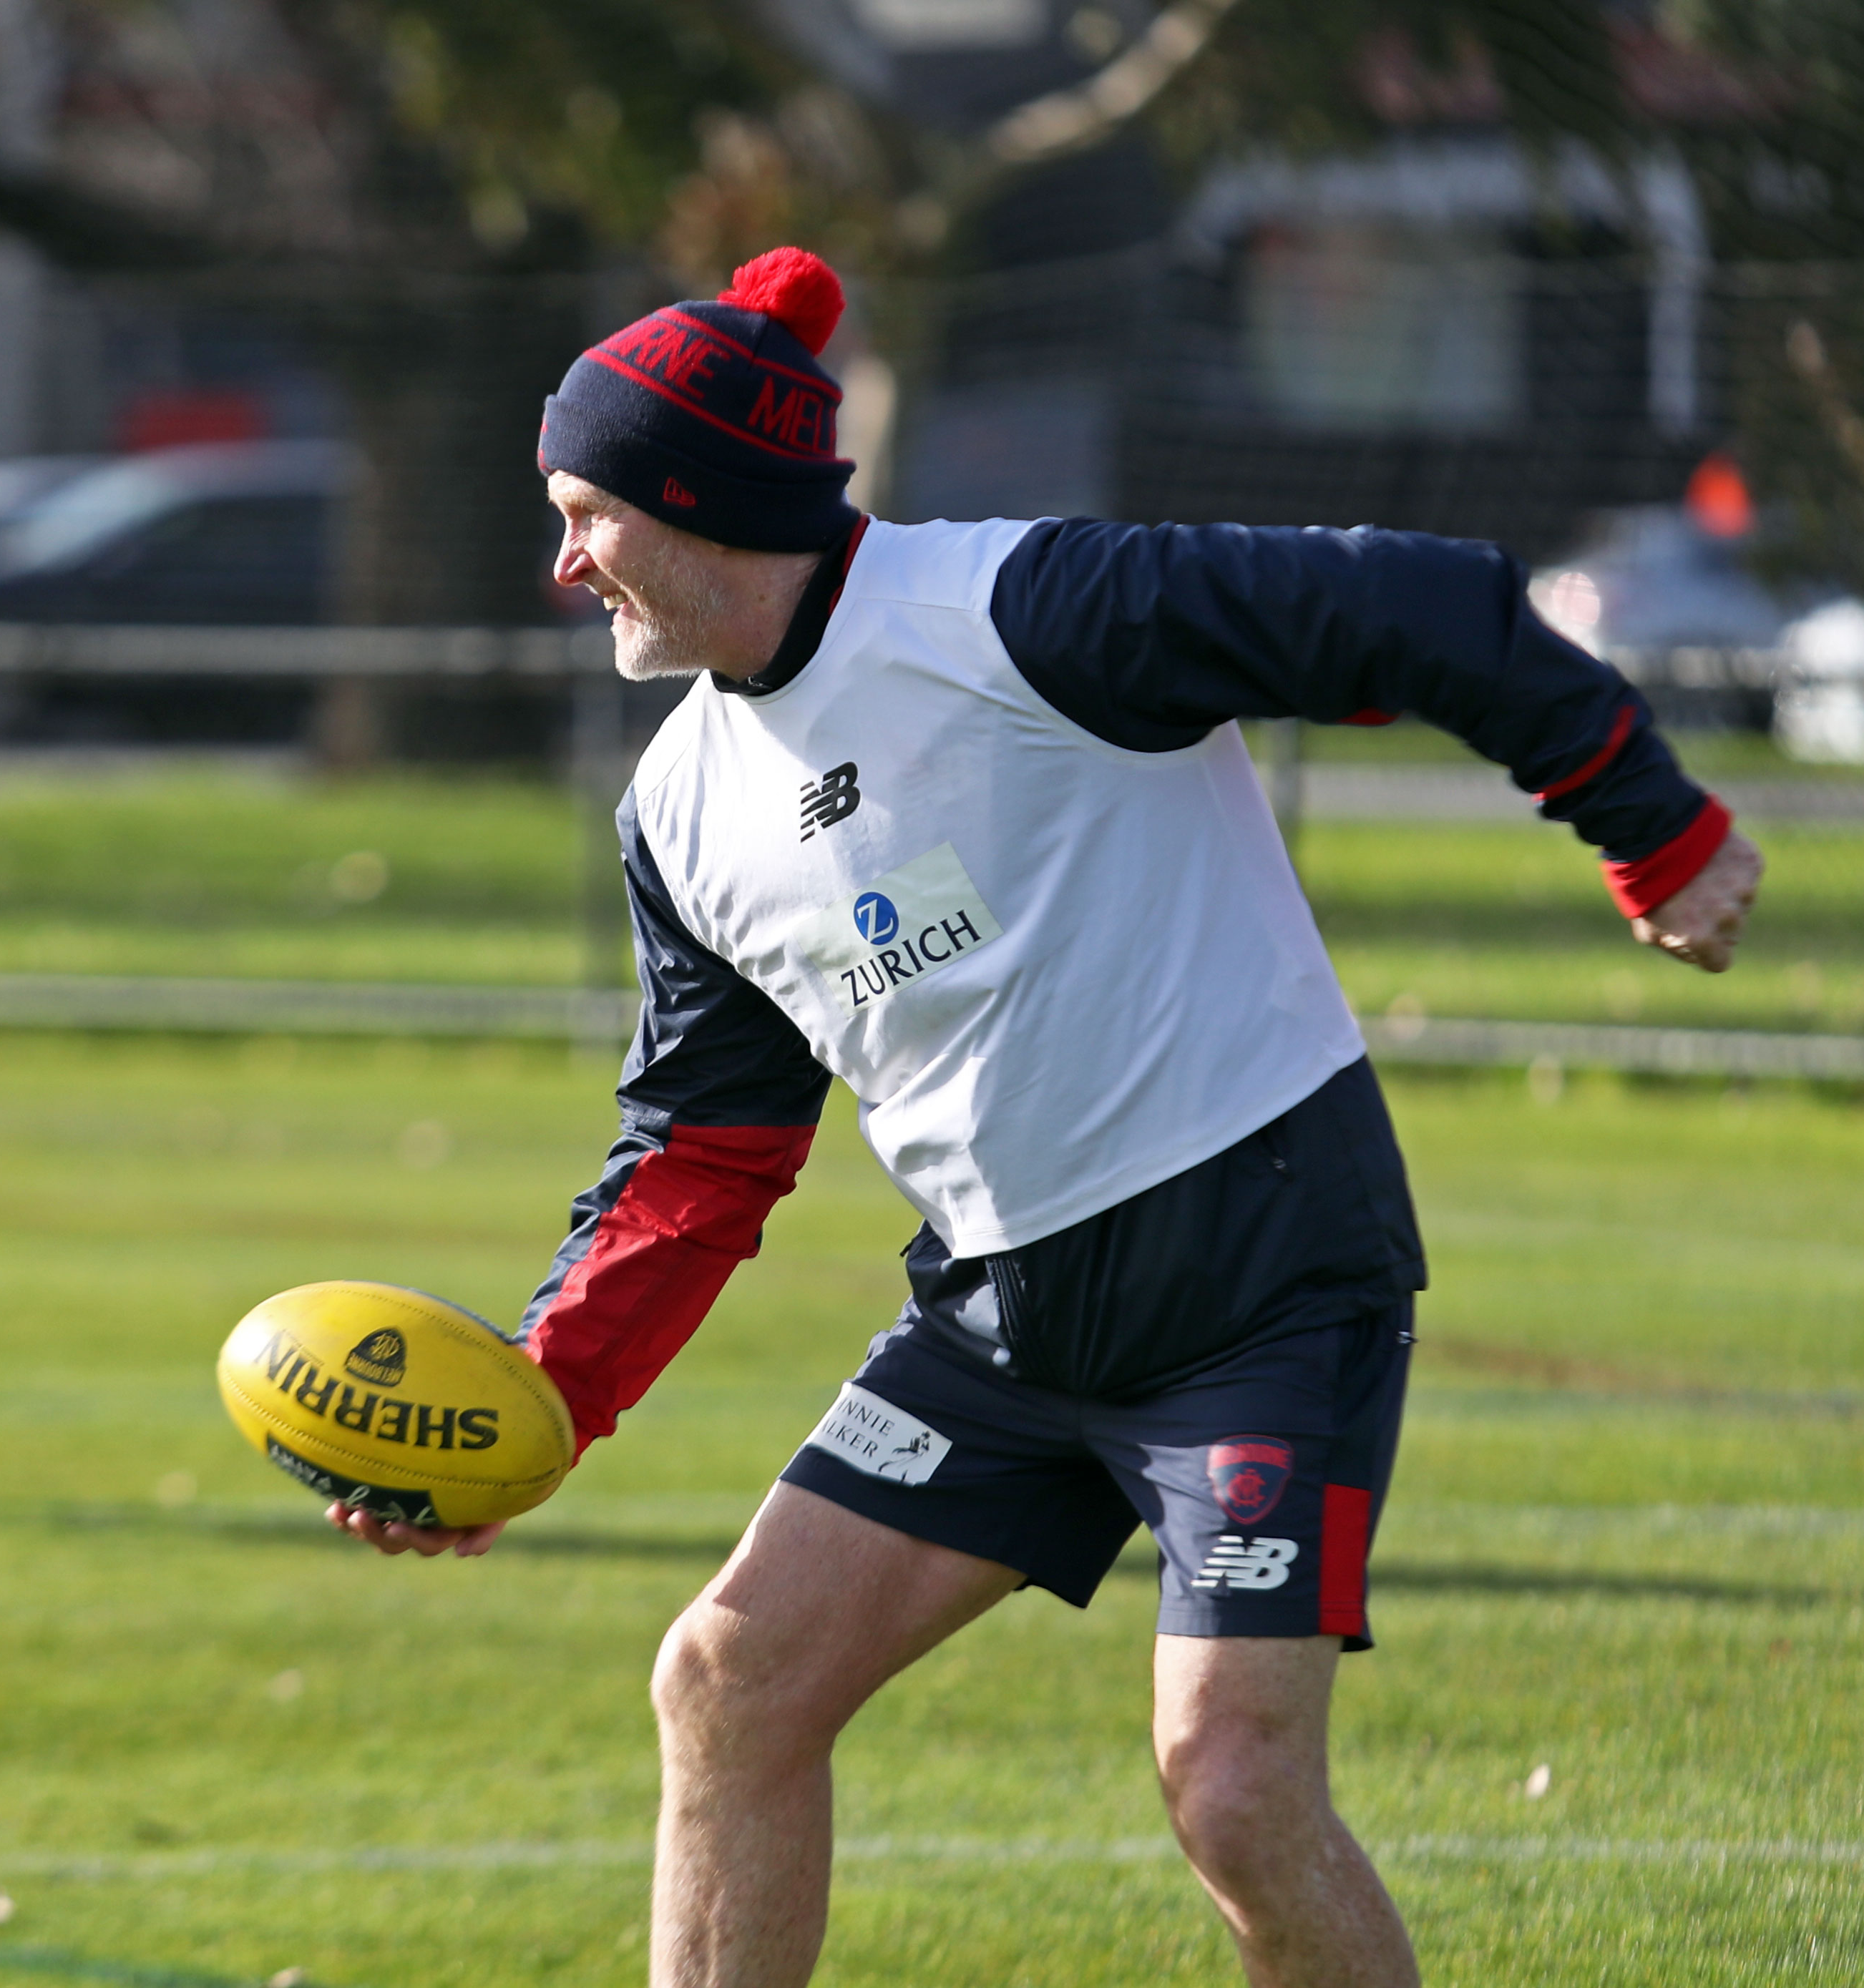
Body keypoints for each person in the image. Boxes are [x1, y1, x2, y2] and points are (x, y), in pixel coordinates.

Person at [328, 247, 1765, 1988]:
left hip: (1258, 1281)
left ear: (694, 497)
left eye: (584, 511)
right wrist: (537, 1403)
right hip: (1003, 1323)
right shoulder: (678, 808)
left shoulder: (1025, 609)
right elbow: (699, 1153)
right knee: (727, 1678)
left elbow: (1426, 607)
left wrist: (1651, 825)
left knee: (1232, 1792)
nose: (562, 562)